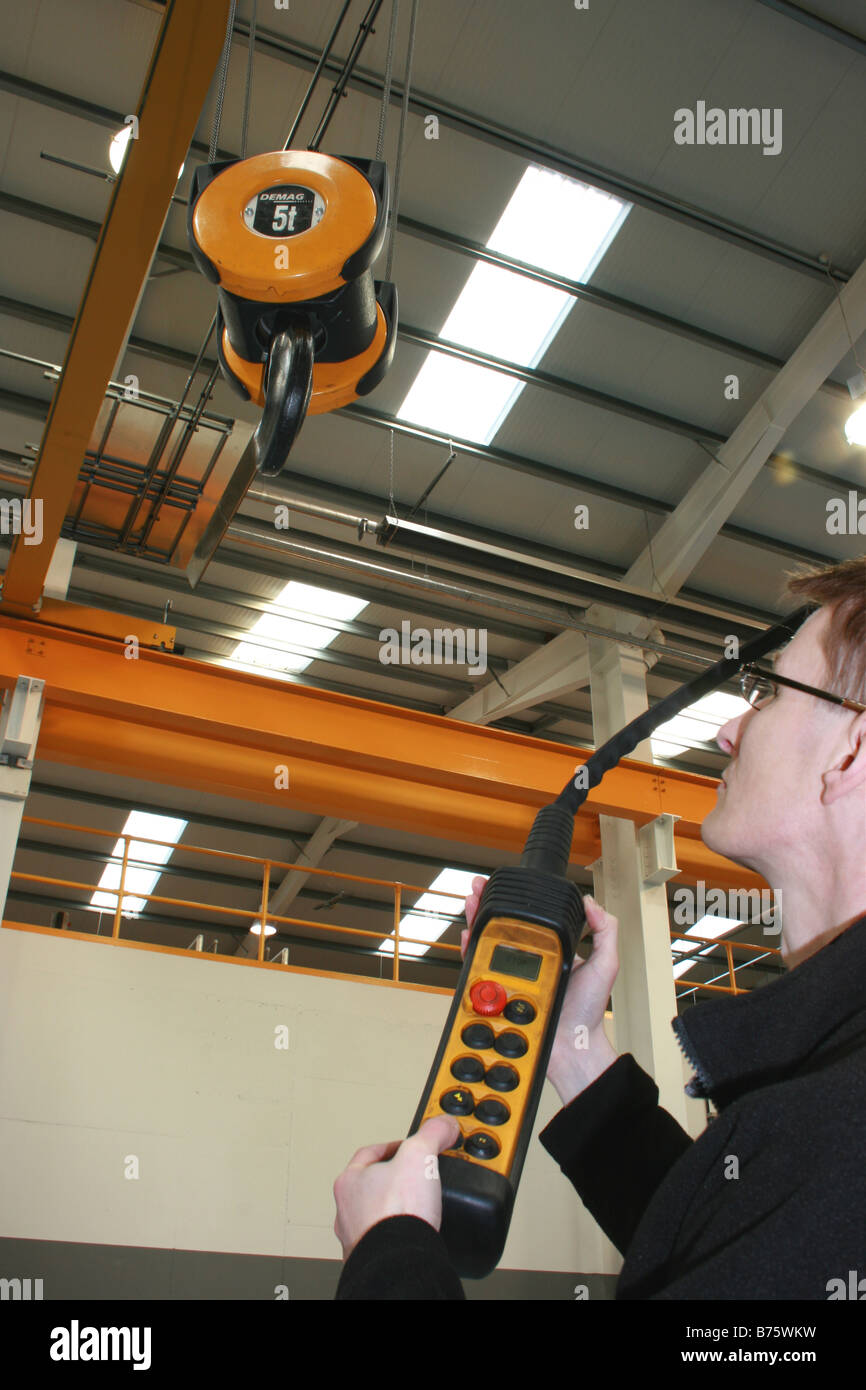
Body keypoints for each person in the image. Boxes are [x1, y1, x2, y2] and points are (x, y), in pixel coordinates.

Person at [333, 557, 866, 1299]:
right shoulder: (826, 1108)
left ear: (851, 751)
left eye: (769, 692)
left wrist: (391, 1258)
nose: (728, 728)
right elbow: (727, 1253)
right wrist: (572, 1047)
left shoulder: (843, 1130)